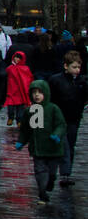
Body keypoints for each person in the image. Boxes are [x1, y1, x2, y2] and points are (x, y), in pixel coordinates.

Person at [17, 80, 66, 202]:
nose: (37, 95)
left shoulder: (53, 108)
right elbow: (26, 129)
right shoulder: (30, 111)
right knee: (40, 171)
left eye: (40, 92)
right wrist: (21, 141)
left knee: (52, 173)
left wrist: (57, 135)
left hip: (53, 149)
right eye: (34, 93)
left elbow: (61, 124)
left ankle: (49, 182)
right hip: (38, 149)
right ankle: (42, 192)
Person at [48, 51, 87, 185]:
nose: (77, 70)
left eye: (78, 67)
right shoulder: (56, 80)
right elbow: (50, 99)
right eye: (74, 67)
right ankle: (62, 173)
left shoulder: (82, 81)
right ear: (66, 66)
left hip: (73, 118)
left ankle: (66, 173)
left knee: (70, 145)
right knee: (63, 145)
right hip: (59, 118)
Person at [5, 50, 33, 128]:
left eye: (19, 58)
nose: (17, 59)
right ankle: (11, 117)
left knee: (20, 108)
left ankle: (19, 120)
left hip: (19, 92)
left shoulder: (25, 69)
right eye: (16, 57)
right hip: (11, 91)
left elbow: (28, 80)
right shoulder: (10, 68)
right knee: (10, 106)